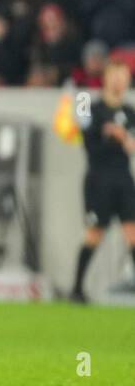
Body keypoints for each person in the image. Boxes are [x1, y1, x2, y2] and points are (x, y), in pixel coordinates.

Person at [70, 59, 135, 303]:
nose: (119, 80)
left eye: (124, 75)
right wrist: (105, 135)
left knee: (133, 233)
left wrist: (122, 136)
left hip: (124, 180)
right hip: (98, 179)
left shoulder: (130, 112)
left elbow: (132, 146)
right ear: (106, 78)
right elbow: (87, 144)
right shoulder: (90, 105)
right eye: (115, 75)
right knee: (94, 234)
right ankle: (76, 289)